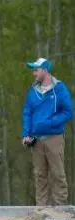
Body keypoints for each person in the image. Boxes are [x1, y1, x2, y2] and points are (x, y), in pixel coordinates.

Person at [22, 57, 73, 206]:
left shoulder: (60, 89)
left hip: (54, 138)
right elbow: (27, 112)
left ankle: (60, 207)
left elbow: (68, 111)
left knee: (58, 174)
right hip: (35, 139)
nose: (34, 73)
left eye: (36, 70)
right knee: (39, 175)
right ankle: (41, 208)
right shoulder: (32, 91)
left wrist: (50, 123)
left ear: (45, 70)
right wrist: (26, 133)